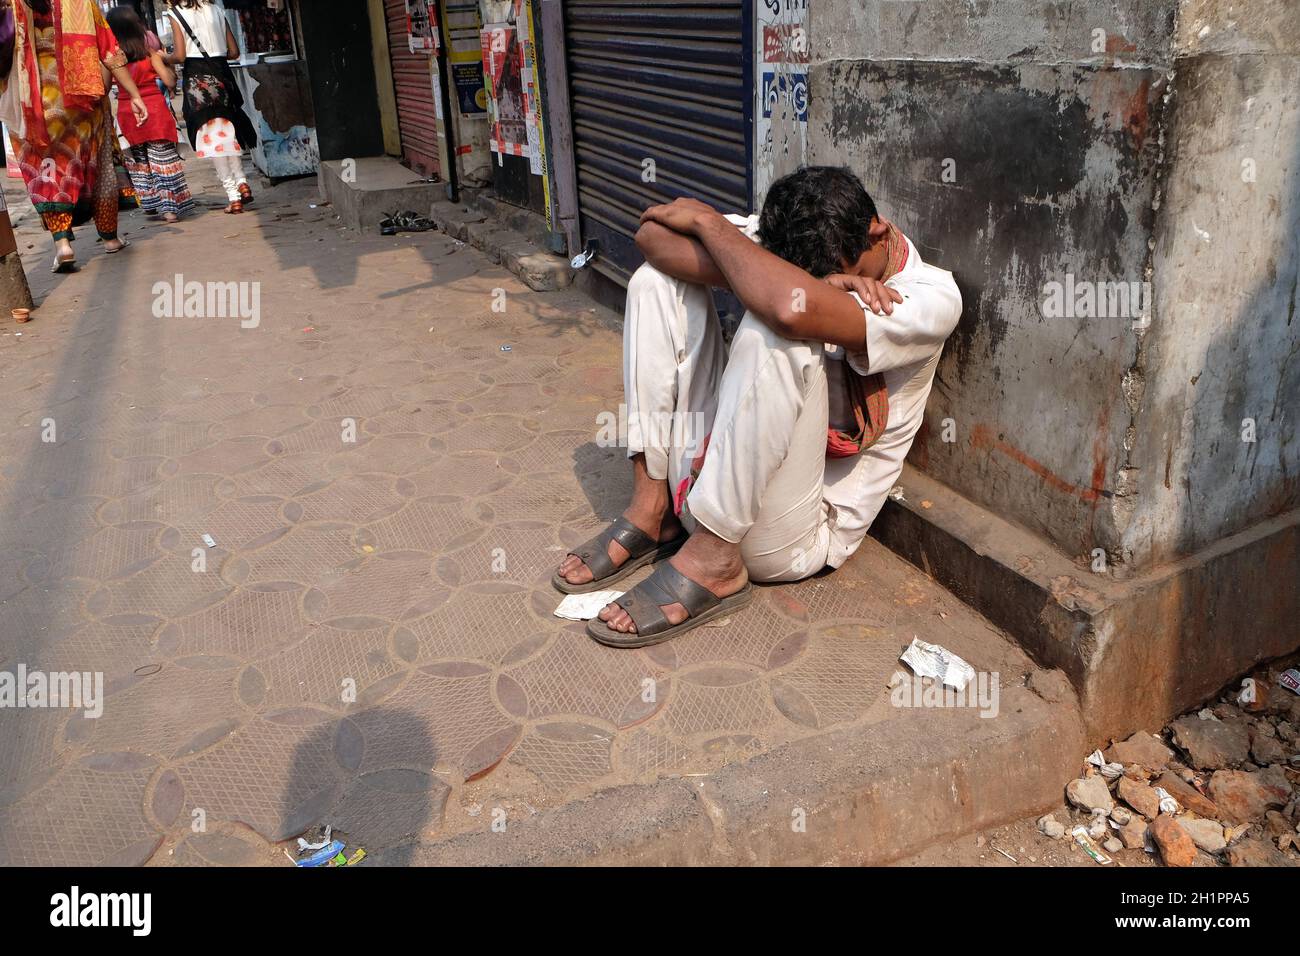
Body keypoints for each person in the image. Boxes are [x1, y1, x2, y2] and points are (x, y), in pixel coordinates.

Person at [554, 166, 963, 647]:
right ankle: (653, 509)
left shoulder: (933, 297)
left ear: (876, 232)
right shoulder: (800, 232)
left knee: (782, 330)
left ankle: (714, 561)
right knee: (655, 282)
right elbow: (651, 237)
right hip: (715, 486)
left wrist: (788, 281)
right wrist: (723, 232)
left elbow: (791, 308)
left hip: (791, 534)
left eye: (833, 268)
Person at [0, 0, 150, 272]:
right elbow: (109, 50)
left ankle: (62, 244)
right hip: (80, 98)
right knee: (100, 165)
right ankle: (110, 238)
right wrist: (134, 94)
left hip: (32, 102)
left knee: (44, 172)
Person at [163, 0, 254, 213]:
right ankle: (242, 181)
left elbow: (180, 56)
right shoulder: (217, 9)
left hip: (197, 79)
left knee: (213, 139)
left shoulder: (175, 13)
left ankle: (233, 196)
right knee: (228, 132)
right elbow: (234, 52)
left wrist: (164, 58)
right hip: (222, 76)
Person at [106, 5, 191, 223]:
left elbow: (104, 87)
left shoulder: (111, 59)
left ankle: (151, 205)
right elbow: (170, 82)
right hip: (154, 109)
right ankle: (170, 209)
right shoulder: (149, 54)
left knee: (139, 161)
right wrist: (166, 64)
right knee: (162, 158)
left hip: (128, 112)